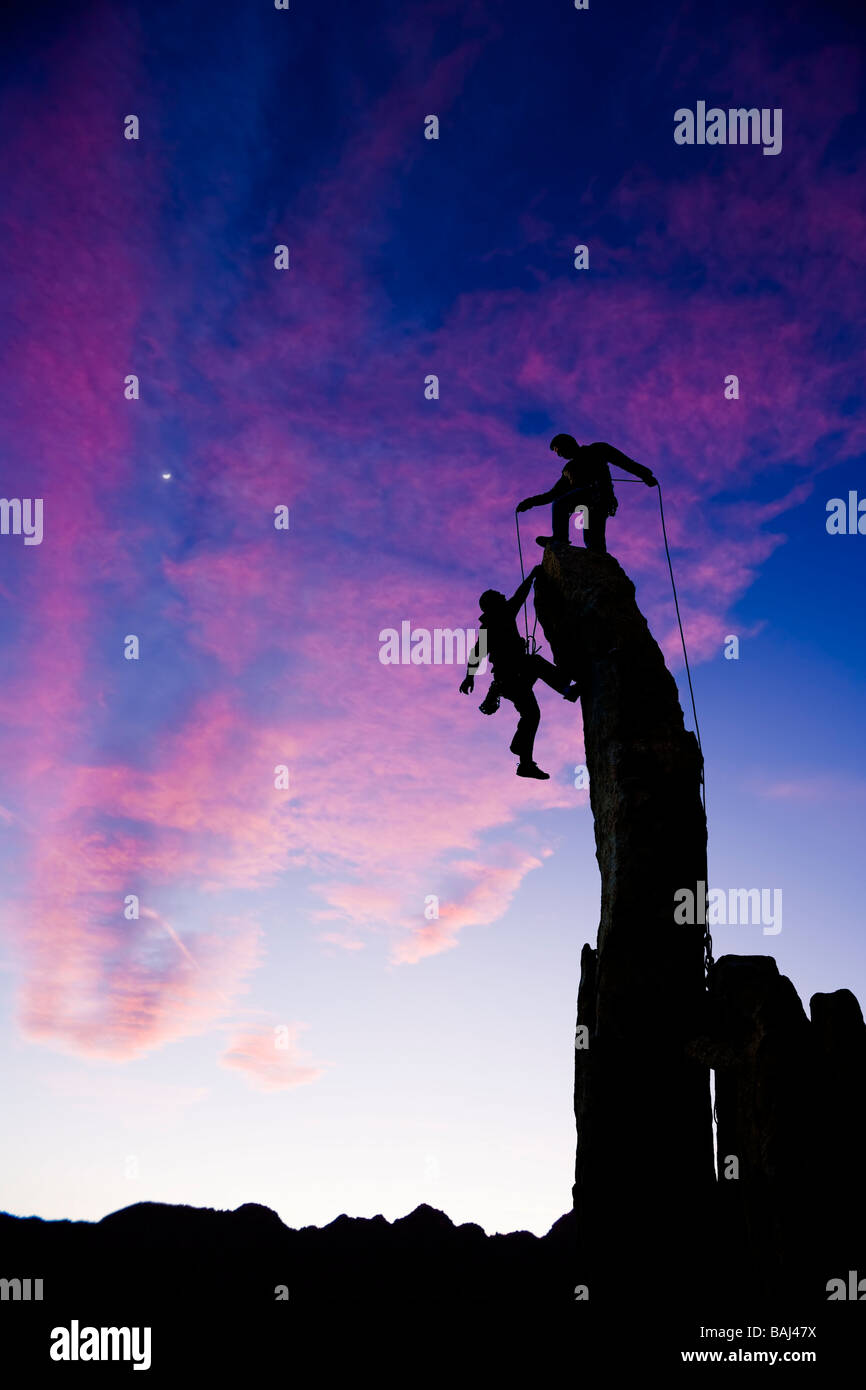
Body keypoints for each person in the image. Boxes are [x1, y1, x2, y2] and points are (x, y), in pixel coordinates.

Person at [459, 565, 579, 779]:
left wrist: (469, 677)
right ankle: (567, 689)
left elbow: (476, 653)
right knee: (535, 665)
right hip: (513, 676)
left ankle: (524, 761)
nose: (502, 595)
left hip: (508, 681)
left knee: (531, 714)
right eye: (498, 595)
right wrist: (531, 577)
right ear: (493, 604)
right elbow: (519, 596)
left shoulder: (490, 624)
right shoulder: (501, 616)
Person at [516, 433, 658, 555]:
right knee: (592, 541)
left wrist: (645, 475)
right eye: (557, 453)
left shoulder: (597, 449)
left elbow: (624, 462)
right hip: (589, 504)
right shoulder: (569, 469)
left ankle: (560, 538)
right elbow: (552, 493)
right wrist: (530, 502)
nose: (559, 455)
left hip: (600, 497)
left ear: (568, 444)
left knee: (564, 506)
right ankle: (565, 541)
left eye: (559, 450)